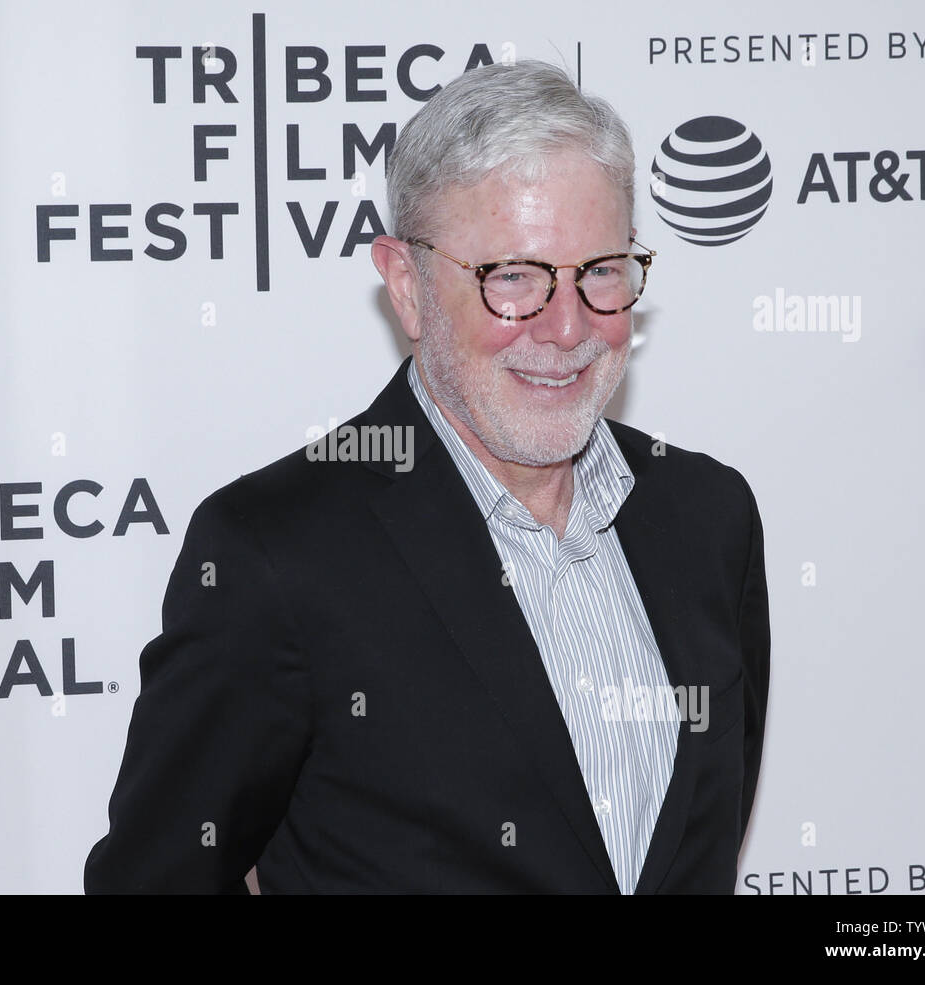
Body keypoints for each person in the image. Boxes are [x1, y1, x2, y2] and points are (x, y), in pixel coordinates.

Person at [84, 59, 770, 894]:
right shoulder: (276, 554)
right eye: (512, 277)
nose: (566, 325)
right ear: (407, 287)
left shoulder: (708, 518)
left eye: (600, 271)